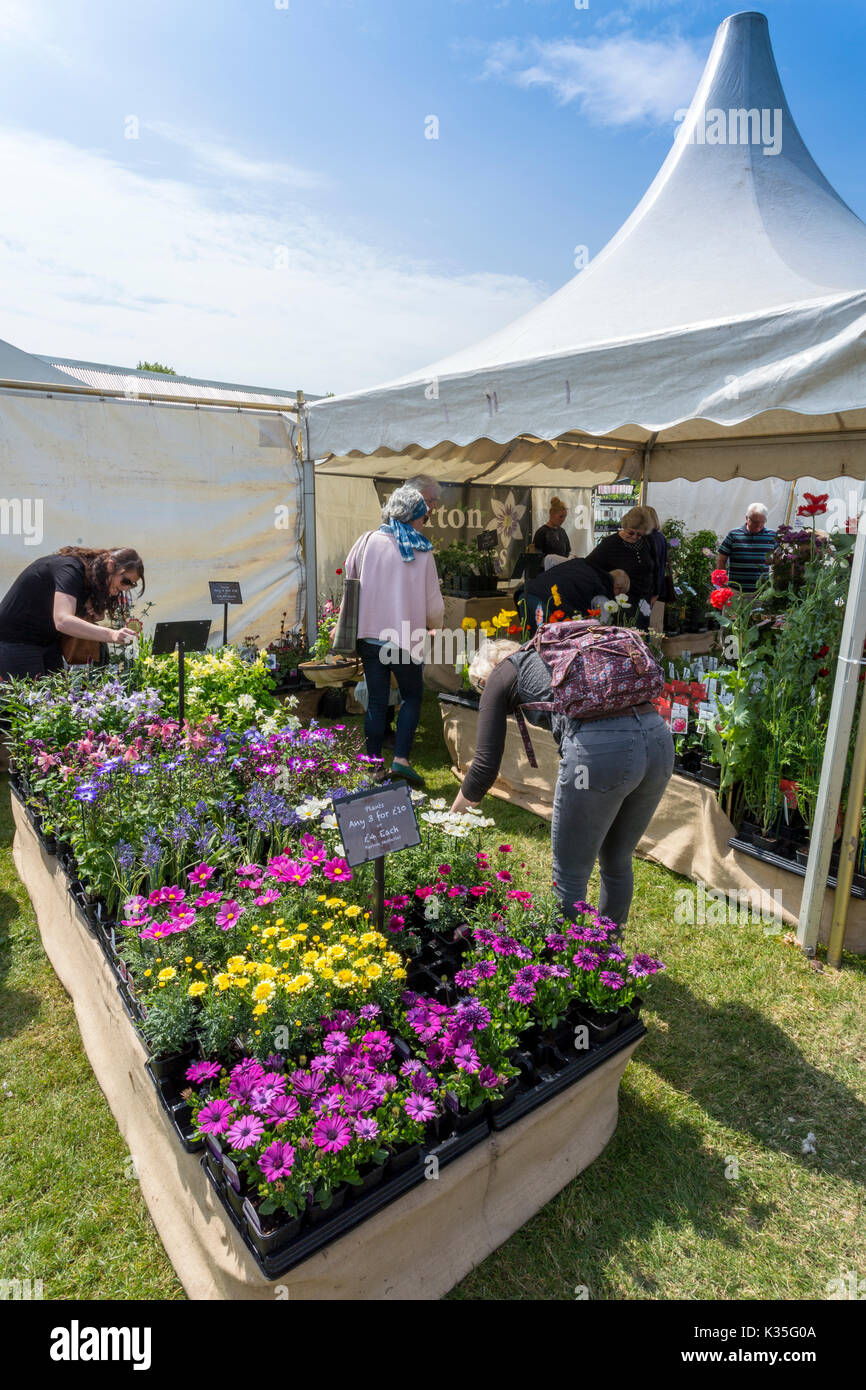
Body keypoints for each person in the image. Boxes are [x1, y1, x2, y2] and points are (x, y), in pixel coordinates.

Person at [449, 634, 673, 925]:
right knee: (617, 858)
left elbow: (483, 766)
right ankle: (607, 953)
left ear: (489, 668)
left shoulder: (502, 672)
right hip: (658, 741)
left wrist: (450, 821)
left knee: (570, 873)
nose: (484, 691)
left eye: (481, 685)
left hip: (598, 754)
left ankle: (564, 962)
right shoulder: (548, 658)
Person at [344, 484, 444, 786]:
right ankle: (400, 759)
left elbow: (350, 572)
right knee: (412, 696)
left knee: (376, 701)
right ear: (413, 515)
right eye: (423, 517)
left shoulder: (366, 541)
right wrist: (434, 622)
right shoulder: (422, 550)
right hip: (405, 638)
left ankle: (374, 766)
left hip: (370, 635)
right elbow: (433, 604)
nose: (423, 522)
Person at [0, 546, 144, 680]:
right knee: (27, 704)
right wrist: (112, 635)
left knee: (56, 701)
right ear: (111, 565)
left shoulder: (89, 577)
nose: (126, 588)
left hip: (47, 641)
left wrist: (88, 612)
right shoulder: (70, 569)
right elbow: (63, 621)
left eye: (132, 585)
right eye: (125, 581)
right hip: (15, 640)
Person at [585, 506, 658, 630]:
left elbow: (655, 565)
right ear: (624, 526)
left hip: (644, 600)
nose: (635, 537)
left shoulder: (647, 540)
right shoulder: (610, 544)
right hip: (624, 601)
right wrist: (610, 584)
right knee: (627, 634)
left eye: (639, 534)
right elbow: (590, 565)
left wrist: (655, 593)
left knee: (642, 635)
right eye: (631, 532)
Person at [519, 559, 630, 635]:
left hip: (526, 593)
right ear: (617, 588)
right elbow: (601, 625)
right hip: (543, 602)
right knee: (543, 643)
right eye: (619, 595)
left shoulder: (586, 565)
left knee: (529, 641)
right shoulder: (601, 591)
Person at [717, 503, 778, 592]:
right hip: (735, 591)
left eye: (762, 522)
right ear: (747, 518)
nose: (759, 525)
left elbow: (778, 559)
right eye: (755, 522)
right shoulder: (734, 535)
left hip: (760, 592)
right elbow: (721, 560)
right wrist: (722, 584)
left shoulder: (772, 535)